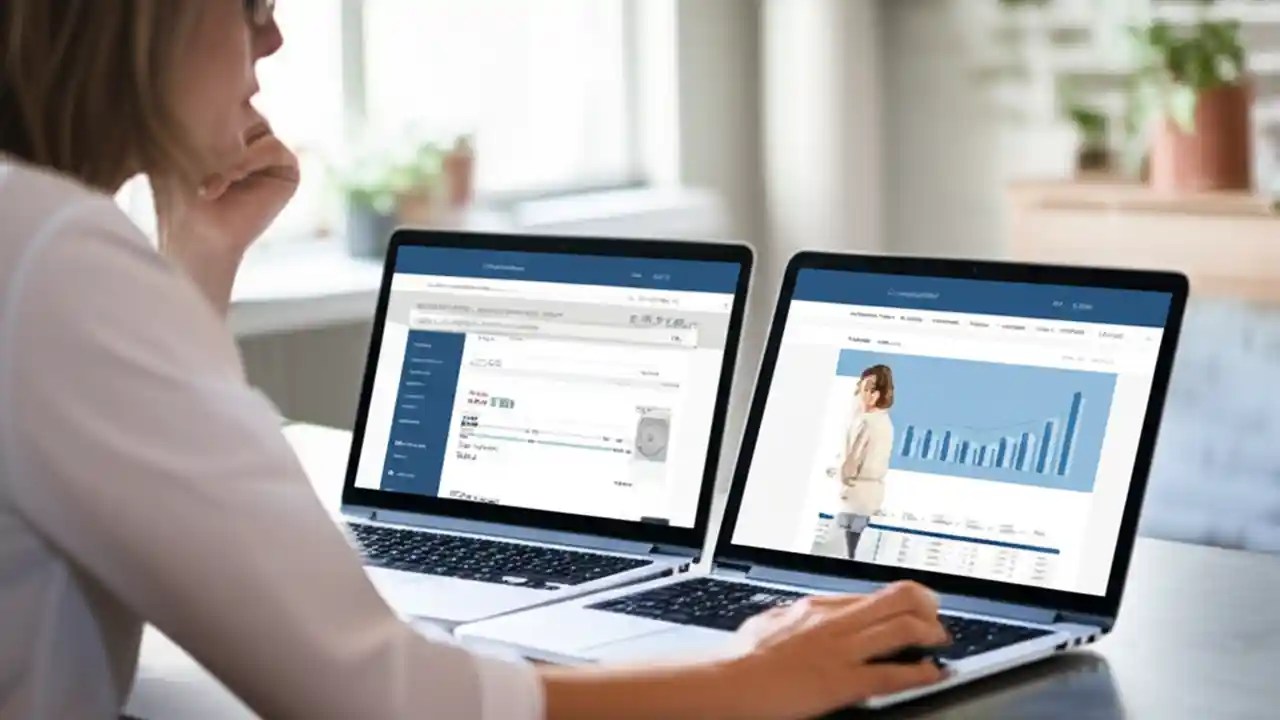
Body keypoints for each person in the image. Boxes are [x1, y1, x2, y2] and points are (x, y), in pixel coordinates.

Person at [0, 2, 946, 717]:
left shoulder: (40, 245)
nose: (274, 37)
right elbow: (372, 695)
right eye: (250, 3)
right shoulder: (55, 257)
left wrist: (196, 258)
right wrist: (751, 677)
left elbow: (161, 504)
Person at [837, 365, 897, 559]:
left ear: (874, 394)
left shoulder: (865, 422)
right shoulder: (885, 423)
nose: (859, 394)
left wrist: (840, 476)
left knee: (845, 549)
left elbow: (851, 465)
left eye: (862, 389)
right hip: (871, 495)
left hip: (853, 495)